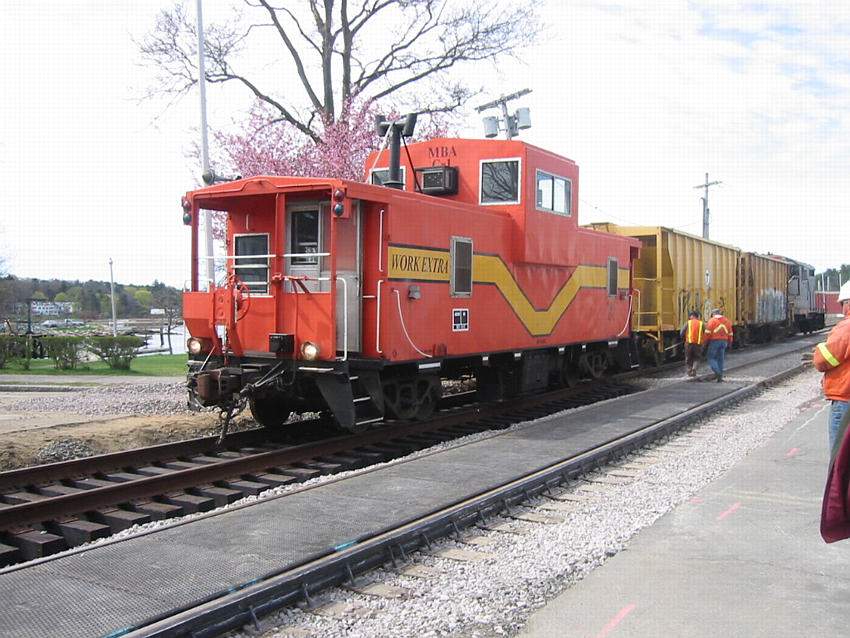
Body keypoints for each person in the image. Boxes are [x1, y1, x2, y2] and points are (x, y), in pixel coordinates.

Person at [813, 281, 850, 455]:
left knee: (840, 458)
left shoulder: (846, 328)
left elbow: (823, 359)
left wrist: (819, 348)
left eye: (842, 303)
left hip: (845, 400)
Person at [704, 308, 733, 382]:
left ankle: (718, 373)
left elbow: (707, 333)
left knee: (711, 357)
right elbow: (730, 333)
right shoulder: (727, 321)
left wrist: (705, 342)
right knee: (720, 359)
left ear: (713, 314)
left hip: (714, 341)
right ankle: (720, 378)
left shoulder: (712, 321)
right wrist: (730, 343)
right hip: (724, 342)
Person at [680, 310, 704, 378]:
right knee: (697, 358)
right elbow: (705, 332)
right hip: (698, 344)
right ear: (697, 316)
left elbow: (682, 332)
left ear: (692, 316)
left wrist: (683, 338)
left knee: (688, 358)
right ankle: (694, 369)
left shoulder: (688, 323)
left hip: (689, 344)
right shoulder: (701, 323)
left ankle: (689, 371)